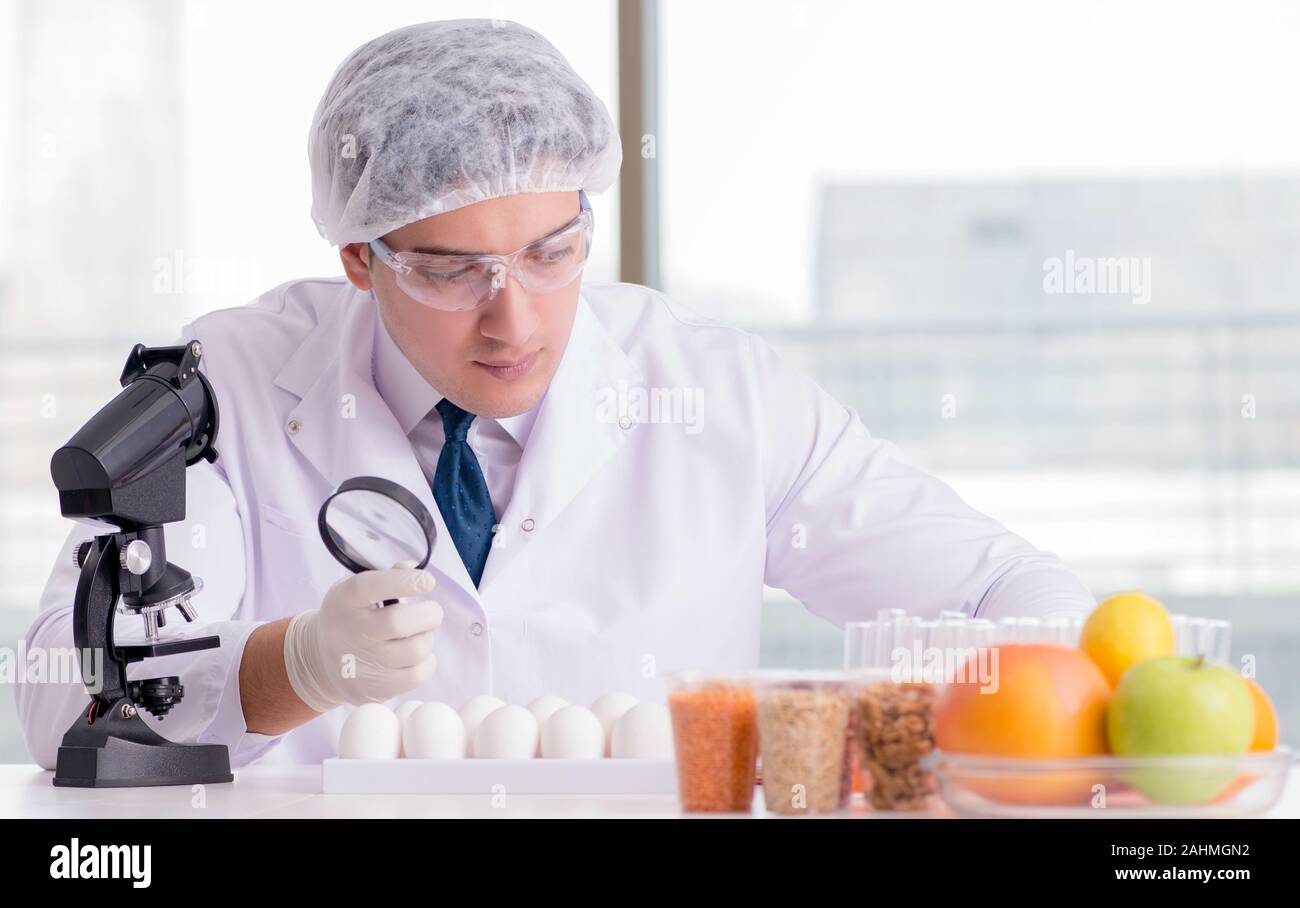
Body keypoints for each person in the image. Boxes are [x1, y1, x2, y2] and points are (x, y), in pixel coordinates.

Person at [17, 19, 1093, 768]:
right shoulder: (233, 384)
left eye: (551, 250)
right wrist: (287, 664)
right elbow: (56, 700)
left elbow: (1008, 588)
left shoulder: (718, 391)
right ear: (358, 255)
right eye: (449, 269)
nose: (514, 317)